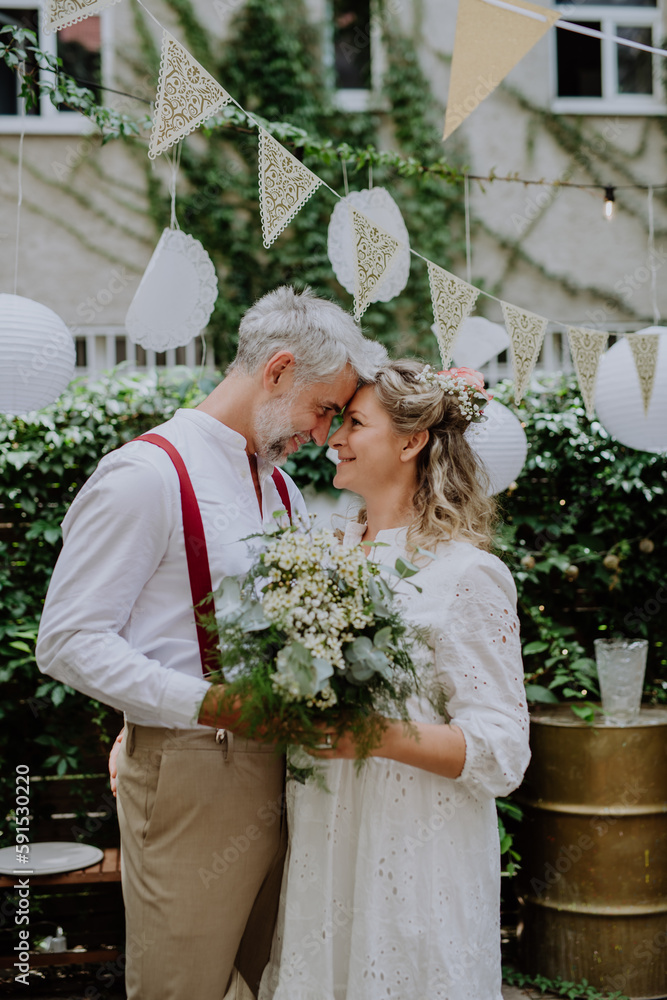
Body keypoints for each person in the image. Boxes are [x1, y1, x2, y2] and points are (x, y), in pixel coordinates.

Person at [36, 285, 387, 1000]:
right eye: (325, 409)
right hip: (194, 769)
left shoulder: (280, 489)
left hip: (290, 770)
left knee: (268, 978)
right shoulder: (144, 476)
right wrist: (202, 705)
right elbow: (68, 640)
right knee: (184, 984)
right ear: (279, 370)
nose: (324, 434)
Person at [258, 359, 531, 1000]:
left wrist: (376, 735)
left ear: (412, 442)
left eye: (355, 423)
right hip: (322, 838)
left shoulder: (465, 575)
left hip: (415, 855)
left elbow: (503, 751)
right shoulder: (318, 557)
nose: (334, 438)